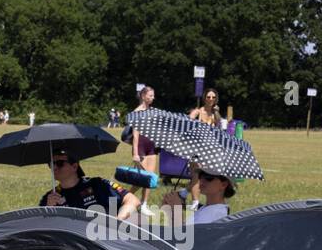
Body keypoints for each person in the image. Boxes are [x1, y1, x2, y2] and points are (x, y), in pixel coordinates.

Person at [38, 149, 141, 220]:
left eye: (60, 163)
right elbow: (40, 226)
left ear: (74, 166)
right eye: (51, 164)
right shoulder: (50, 198)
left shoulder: (98, 185)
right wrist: (47, 209)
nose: (54, 167)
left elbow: (132, 201)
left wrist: (118, 222)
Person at [162, 163, 235, 224]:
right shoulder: (208, 208)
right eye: (201, 176)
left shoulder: (216, 213)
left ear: (223, 185)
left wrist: (177, 209)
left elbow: (187, 238)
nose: (202, 180)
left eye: (208, 177)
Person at [131, 85, 160, 215]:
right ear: (143, 96)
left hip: (151, 147)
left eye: (153, 96)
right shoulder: (137, 112)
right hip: (141, 147)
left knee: (150, 178)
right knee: (141, 179)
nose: (153, 98)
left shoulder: (153, 111)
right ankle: (125, 196)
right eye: (150, 95)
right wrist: (135, 153)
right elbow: (135, 135)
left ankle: (144, 205)